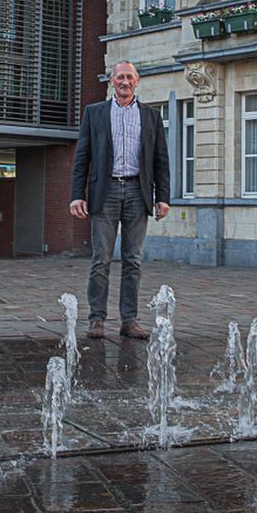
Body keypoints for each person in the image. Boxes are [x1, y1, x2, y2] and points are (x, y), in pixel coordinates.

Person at [70, 61, 170, 340]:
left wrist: (163, 197)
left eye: (130, 77)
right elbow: (82, 158)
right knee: (100, 258)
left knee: (133, 260)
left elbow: (162, 160)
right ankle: (97, 319)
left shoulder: (151, 116)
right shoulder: (95, 113)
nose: (125, 81)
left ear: (137, 81)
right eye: (119, 77)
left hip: (139, 192)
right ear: (111, 81)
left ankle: (130, 320)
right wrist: (77, 195)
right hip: (106, 191)